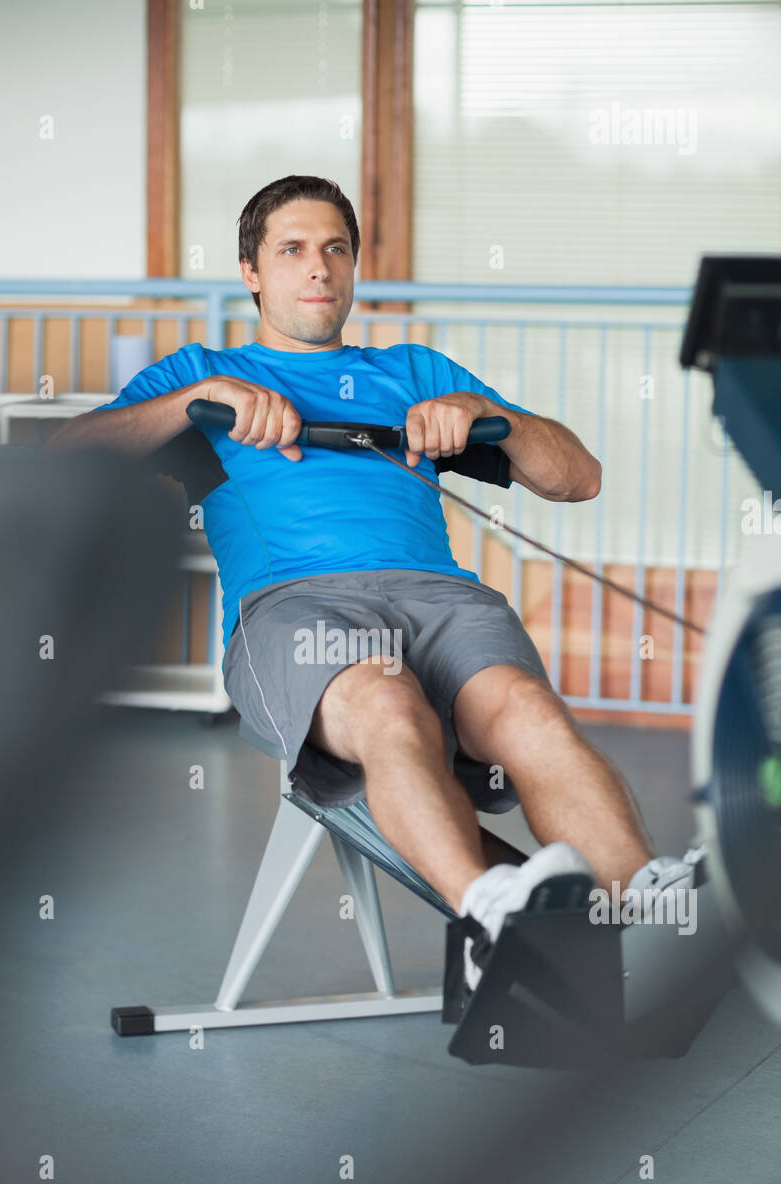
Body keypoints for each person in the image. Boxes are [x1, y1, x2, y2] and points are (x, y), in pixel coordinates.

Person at [49, 174, 704, 1003]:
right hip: (292, 608)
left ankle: (643, 895)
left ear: (354, 266)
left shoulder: (413, 370)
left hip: (442, 599)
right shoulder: (205, 372)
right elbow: (65, 460)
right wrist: (197, 401)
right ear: (252, 271)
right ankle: (490, 912)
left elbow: (578, 478)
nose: (317, 268)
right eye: (292, 250)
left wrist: (478, 413)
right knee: (388, 703)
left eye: (335, 250)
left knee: (528, 711)